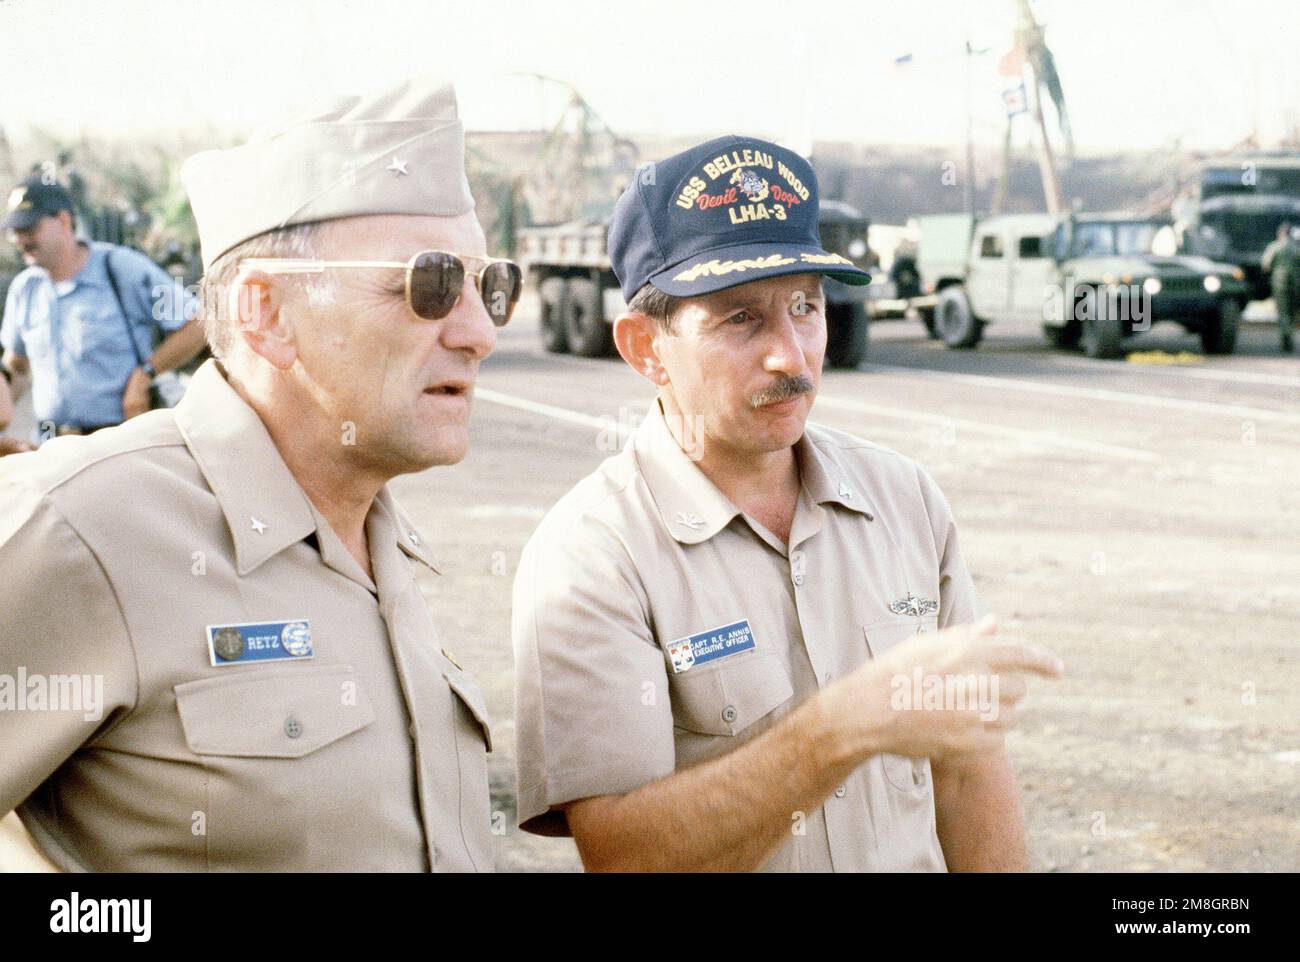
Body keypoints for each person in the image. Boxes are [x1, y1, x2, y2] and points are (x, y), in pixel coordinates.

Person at [0, 76, 521, 871]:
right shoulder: (82, 526)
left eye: (490, 286)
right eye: (430, 283)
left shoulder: (376, 534)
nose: (479, 331)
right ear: (267, 313)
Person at [512, 136, 1063, 872]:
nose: (791, 355)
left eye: (805, 307)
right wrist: (841, 727)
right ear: (645, 347)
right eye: (740, 318)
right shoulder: (593, 554)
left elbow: (966, 772)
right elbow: (624, 855)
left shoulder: (903, 499)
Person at [1, 176, 205, 440]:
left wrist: (145, 374)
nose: (20, 240)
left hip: (115, 441)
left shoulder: (120, 268)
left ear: (63, 220)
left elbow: (197, 324)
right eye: (15, 232)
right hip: (50, 444)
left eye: (29, 229)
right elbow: (17, 366)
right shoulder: (25, 288)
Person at [1261, 222, 1298, 352]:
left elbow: (1265, 265)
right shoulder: (1297, 247)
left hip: (1279, 282)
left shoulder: (1274, 246)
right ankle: (1290, 334)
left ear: (1281, 233)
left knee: (1283, 311)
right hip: (1296, 284)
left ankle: (1286, 336)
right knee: (1292, 311)